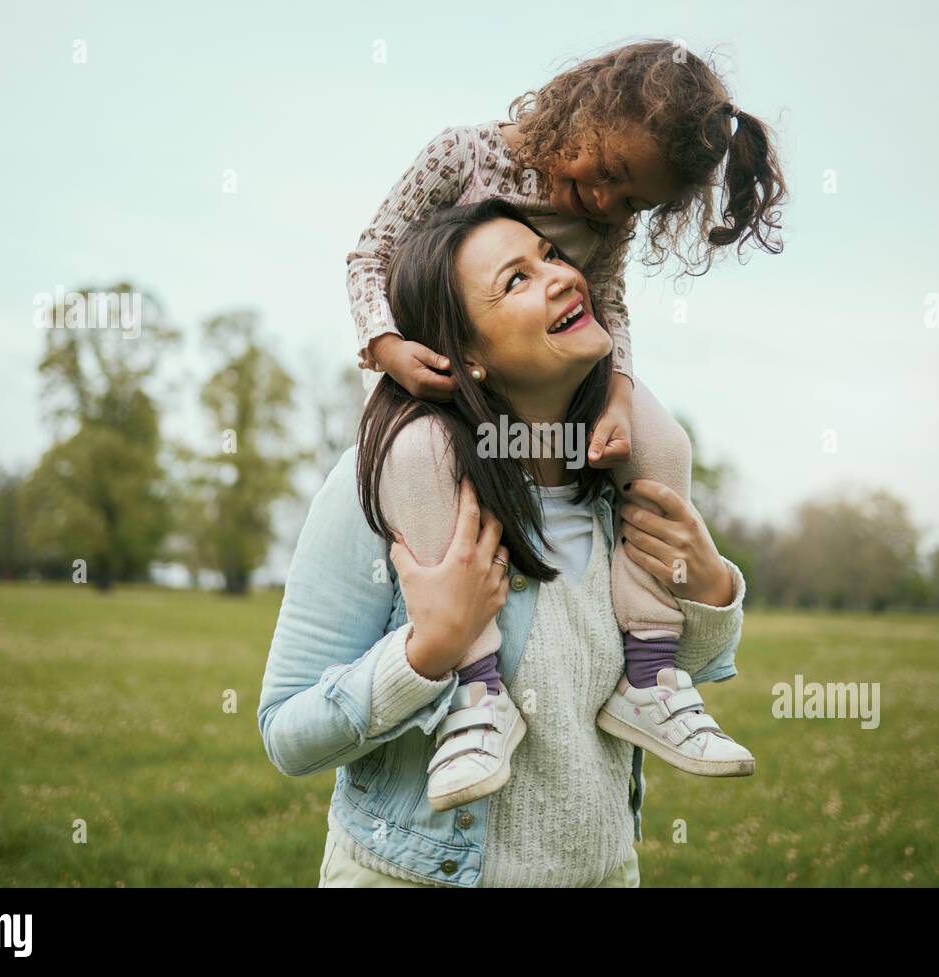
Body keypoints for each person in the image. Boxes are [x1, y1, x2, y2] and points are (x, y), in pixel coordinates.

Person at [258, 199, 749, 887]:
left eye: (551, 256)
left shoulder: (616, 473)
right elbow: (286, 731)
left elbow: (665, 677)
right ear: (466, 357)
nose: (561, 277)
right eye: (515, 280)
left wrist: (710, 589)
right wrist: (425, 652)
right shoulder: (387, 481)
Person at [344, 39, 783, 807]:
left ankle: (649, 673)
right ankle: (475, 693)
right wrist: (388, 347)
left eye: (633, 203)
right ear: (584, 108)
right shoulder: (464, 153)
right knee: (418, 456)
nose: (607, 206)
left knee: (663, 441)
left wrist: (618, 389)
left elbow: (607, 302)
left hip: (571, 385)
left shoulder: (605, 221)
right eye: (608, 175)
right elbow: (370, 253)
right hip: (453, 381)